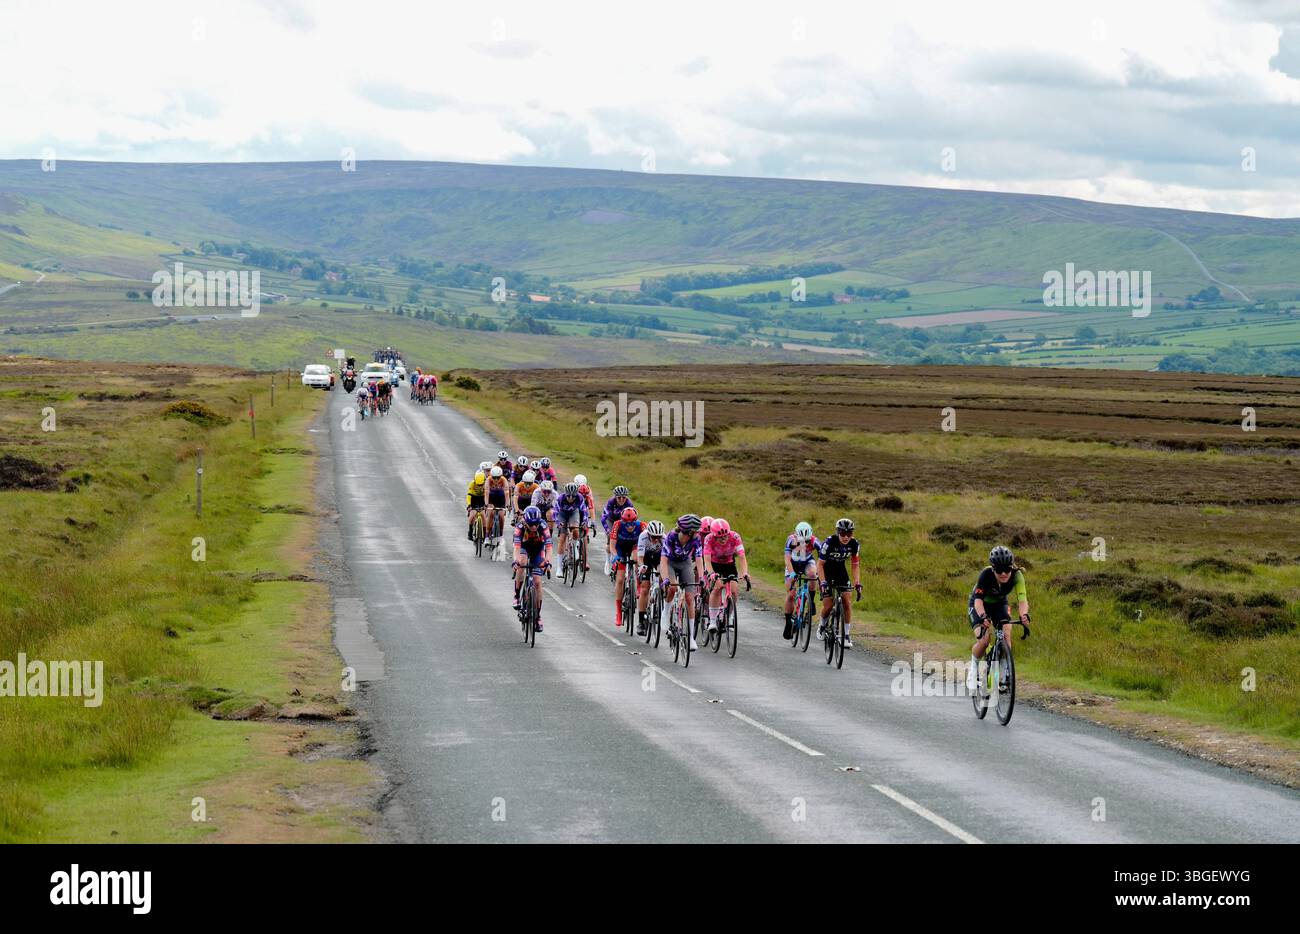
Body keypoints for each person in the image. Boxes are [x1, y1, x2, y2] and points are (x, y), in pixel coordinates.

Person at [966, 545, 1030, 690]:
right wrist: (983, 617)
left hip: (999, 604)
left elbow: (1022, 600)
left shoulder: (1017, 576)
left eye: (1007, 569)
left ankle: (1004, 671)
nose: (1003, 574)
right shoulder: (986, 574)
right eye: (999, 570)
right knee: (984, 640)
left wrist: (1024, 615)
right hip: (979, 605)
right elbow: (978, 601)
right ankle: (973, 668)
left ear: (1012, 567)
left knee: (1006, 634)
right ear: (993, 568)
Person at [660, 514, 704, 652]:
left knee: (690, 598)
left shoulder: (696, 540)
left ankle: (691, 638)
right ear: (689, 531)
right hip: (671, 564)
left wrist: (702, 577)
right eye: (696, 530)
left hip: (685, 564)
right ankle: (666, 612)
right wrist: (666, 578)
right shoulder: (671, 537)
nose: (698, 533)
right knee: (672, 588)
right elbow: (663, 561)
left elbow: (698, 559)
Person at [817, 518, 862, 648]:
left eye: (849, 534)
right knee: (828, 605)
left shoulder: (854, 544)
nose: (846, 537)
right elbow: (820, 564)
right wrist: (823, 582)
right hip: (826, 571)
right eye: (843, 533)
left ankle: (846, 635)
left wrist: (857, 582)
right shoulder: (829, 542)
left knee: (847, 601)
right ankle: (822, 625)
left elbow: (855, 565)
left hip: (841, 571)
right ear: (838, 532)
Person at [702, 518, 750, 632]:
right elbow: (707, 560)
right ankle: (713, 621)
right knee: (717, 588)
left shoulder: (735, 537)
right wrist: (712, 573)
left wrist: (745, 573)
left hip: (729, 564)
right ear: (714, 535)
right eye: (720, 537)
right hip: (714, 564)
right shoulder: (708, 539)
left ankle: (728, 616)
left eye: (725, 536)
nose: (723, 539)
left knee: (733, 591)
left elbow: (742, 557)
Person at [512, 506, 553, 631]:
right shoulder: (519, 527)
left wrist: (547, 561)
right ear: (525, 521)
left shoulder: (543, 526)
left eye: (536, 524)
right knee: (522, 561)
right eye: (531, 524)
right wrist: (516, 561)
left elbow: (549, 547)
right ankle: (517, 596)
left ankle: (538, 617)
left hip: (538, 550)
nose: (534, 527)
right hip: (524, 548)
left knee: (537, 581)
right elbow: (516, 548)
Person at [608, 507, 645, 629]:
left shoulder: (642, 526)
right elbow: (612, 546)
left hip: (635, 547)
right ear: (622, 521)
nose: (629, 526)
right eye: (626, 523)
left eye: (632, 523)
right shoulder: (617, 524)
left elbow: (643, 545)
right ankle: (618, 611)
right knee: (619, 580)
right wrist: (616, 556)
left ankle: (638, 585)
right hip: (621, 549)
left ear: (636, 520)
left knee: (636, 557)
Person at [783, 521, 820, 639]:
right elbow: (787, 560)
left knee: (812, 574)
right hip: (792, 564)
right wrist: (792, 573)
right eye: (801, 541)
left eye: (807, 541)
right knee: (791, 595)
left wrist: (820, 572)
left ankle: (811, 601)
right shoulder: (790, 540)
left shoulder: (815, 541)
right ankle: (788, 622)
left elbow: (823, 557)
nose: (804, 543)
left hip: (807, 562)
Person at [634, 519, 665, 636]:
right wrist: (642, 567)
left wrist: (662, 571)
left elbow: (665, 559)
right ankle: (641, 622)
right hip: (646, 559)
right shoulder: (643, 536)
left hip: (658, 559)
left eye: (658, 537)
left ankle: (660, 598)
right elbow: (640, 558)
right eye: (653, 537)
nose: (656, 540)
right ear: (649, 534)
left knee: (662, 575)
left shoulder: (664, 539)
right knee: (644, 588)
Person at [554, 482, 590, 573]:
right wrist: (558, 523)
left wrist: (585, 522)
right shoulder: (560, 498)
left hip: (574, 513)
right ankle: (559, 567)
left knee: (576, 530)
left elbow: (584, 511)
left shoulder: (580, 497)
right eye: (568, 496)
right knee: (562, 538)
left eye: (573, 496)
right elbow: (555, 513)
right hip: (562, 514)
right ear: (565, 494)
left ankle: (574, 549)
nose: (570, 498)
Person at [485, 466, 512, 539]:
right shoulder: (488, 479)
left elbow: (507, 494)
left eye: (498, 477)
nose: (496, 480)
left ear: (501, 476)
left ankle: (501, 535)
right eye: (494, 477)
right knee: (490, 514)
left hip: (501, 498)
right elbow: (486, 493)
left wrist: (508, 505)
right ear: (491, 476)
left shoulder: (504, 480)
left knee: (501, 517)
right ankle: (487, 535)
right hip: (491, 498)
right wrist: (486, 504)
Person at [465, 470, 487, 541]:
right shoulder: (472, 484)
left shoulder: (487, 484)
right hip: (474, 498)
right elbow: (469, 496)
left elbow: (488, 496)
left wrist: (487, 505)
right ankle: (470, 532)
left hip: (482, 498)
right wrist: (469, 505)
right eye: (478, 485)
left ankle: (484, 533)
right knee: (472, 515)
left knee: (483, 515)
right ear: (474, 481)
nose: (479, 486)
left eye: (481, 485)